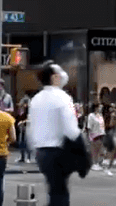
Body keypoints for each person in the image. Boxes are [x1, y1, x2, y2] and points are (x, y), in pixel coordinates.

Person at [28, 62, 82, 206]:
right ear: (54, 78)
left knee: (54, 189)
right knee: (60, 193)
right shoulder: (63, 97)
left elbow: (31, 127)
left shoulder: (36, 99)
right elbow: (71, 129)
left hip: (41, 151)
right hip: (58, 150)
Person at [84, 103, 106, 169]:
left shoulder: (100, 115)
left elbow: (102, 126)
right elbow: (89, 127)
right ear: (95, 108)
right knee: (95, 150)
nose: (101, 108)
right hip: (94, 135)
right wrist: (89, 136)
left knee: (100, 150)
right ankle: (94, 164)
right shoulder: (91, 116)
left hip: (101, 134)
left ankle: (98, 163)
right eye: (99, 107)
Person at [14, 96, 31, 164]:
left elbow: (29, 118)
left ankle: (28, 157)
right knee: (21, 142)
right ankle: (22, 157)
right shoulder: (22, 109)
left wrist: (23, 122)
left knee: (27, 143)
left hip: (28, 127)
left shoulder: (29, 109)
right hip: (22, 128)